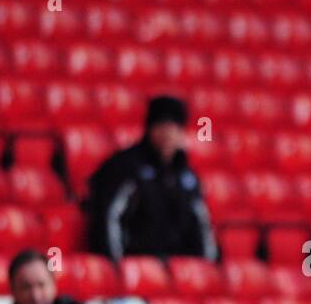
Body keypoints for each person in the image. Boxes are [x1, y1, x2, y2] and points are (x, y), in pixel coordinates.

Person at [84, 95, 217, 260]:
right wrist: (115, 267)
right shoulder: (125, 167)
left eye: (174, 127)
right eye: (162, 125)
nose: (168, 134)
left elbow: (201, 225)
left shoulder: (186, 176)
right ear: (149, 128)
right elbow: (108, 217)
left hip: (179, 271)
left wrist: (209, 268)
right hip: (136, 267)